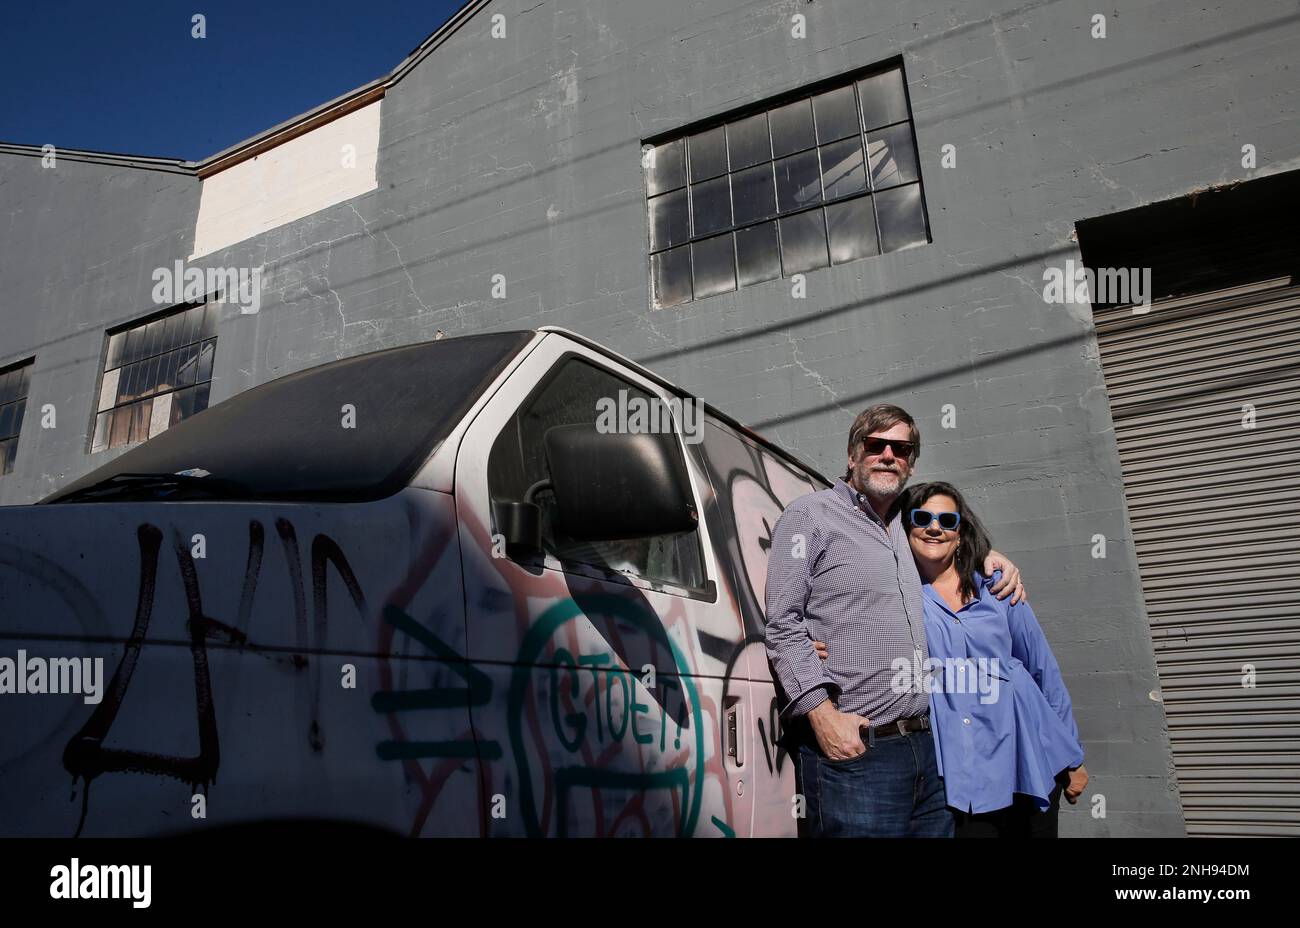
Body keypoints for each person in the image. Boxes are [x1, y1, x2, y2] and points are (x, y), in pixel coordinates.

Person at [764, 404, 1025, 837]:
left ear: (911, 463)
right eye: (876, 445)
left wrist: (988, 557)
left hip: (929, 750)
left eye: (901, 449)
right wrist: (823, 716)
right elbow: (783, 623)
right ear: (853, 455)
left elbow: (948, 540)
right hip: (857, 753)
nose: (888, 455)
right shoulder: (810, 516)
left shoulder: (908, 524)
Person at [816, 481, 1089, 837]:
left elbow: (1042, 669)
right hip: (963, 771)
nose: (935, 528)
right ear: (905, 528)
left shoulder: (996, 586)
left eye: (947, 520)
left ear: (960, 533)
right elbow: (845, 617)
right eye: (922, 518)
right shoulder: (898, 597)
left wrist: (1073, 756)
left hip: (1028, 753)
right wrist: (810, 641)